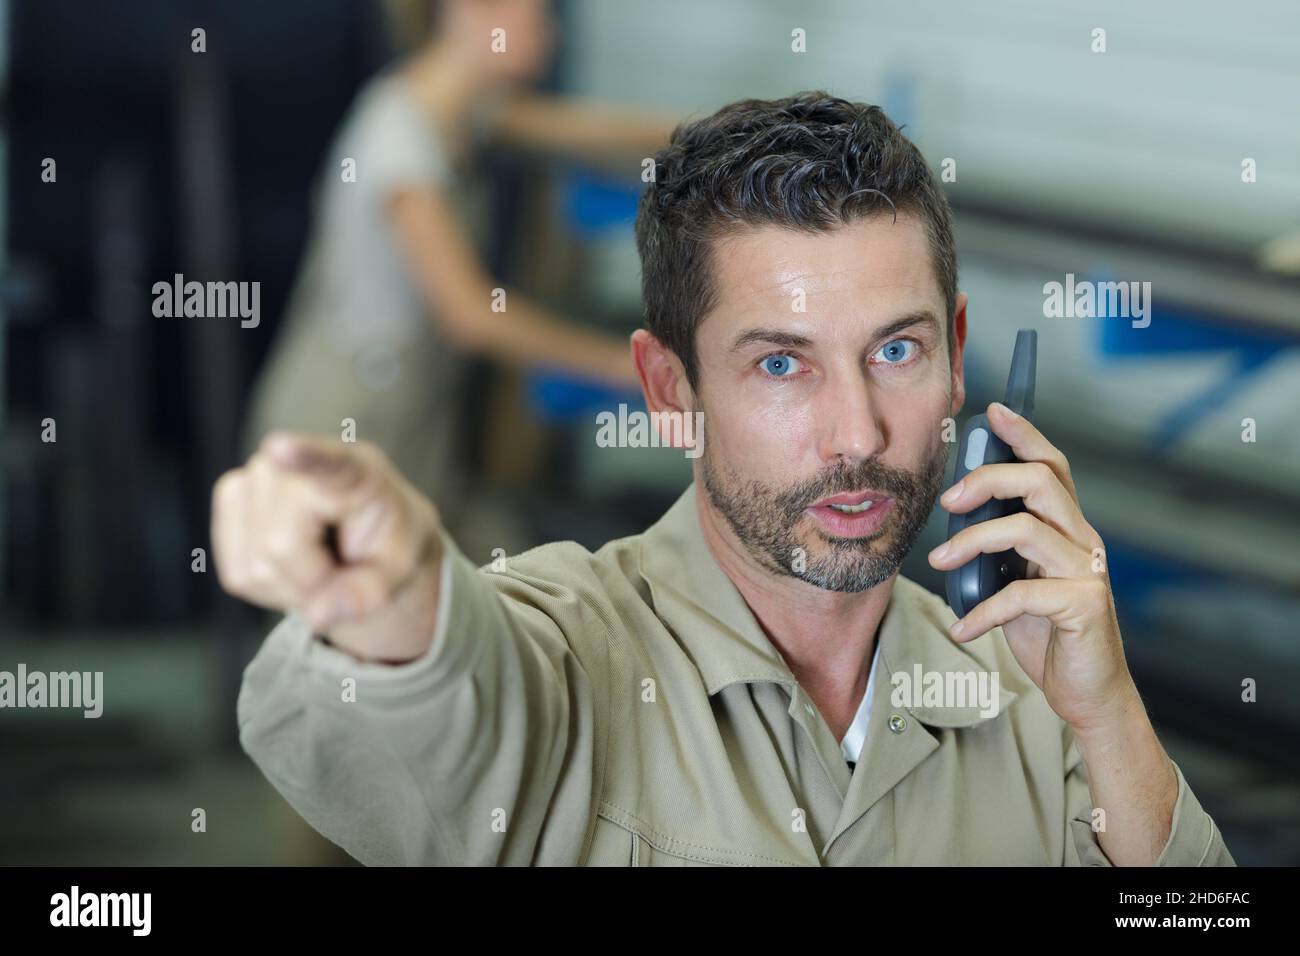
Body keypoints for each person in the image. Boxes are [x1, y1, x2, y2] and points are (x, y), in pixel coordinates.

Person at [215, 92, 1235, 866]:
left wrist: (1109, 720)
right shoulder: (568, 657)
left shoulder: (1030, 693)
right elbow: (434, 699)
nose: (858, 431)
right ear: (670, 389)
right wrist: (393, 600)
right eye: (781, 364)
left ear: (957, 356)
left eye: (895, 351)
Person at [241, 0, 670, 560]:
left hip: (418, 438)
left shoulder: (465, 113)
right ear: (471, 11)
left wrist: (725, 127)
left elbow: (589, 130)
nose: (551, 32)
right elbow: (469, 315)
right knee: (392, 623)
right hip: (341, 432)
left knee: (509, 591)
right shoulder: (398, 139)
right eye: (535, 14)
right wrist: (633, 369)